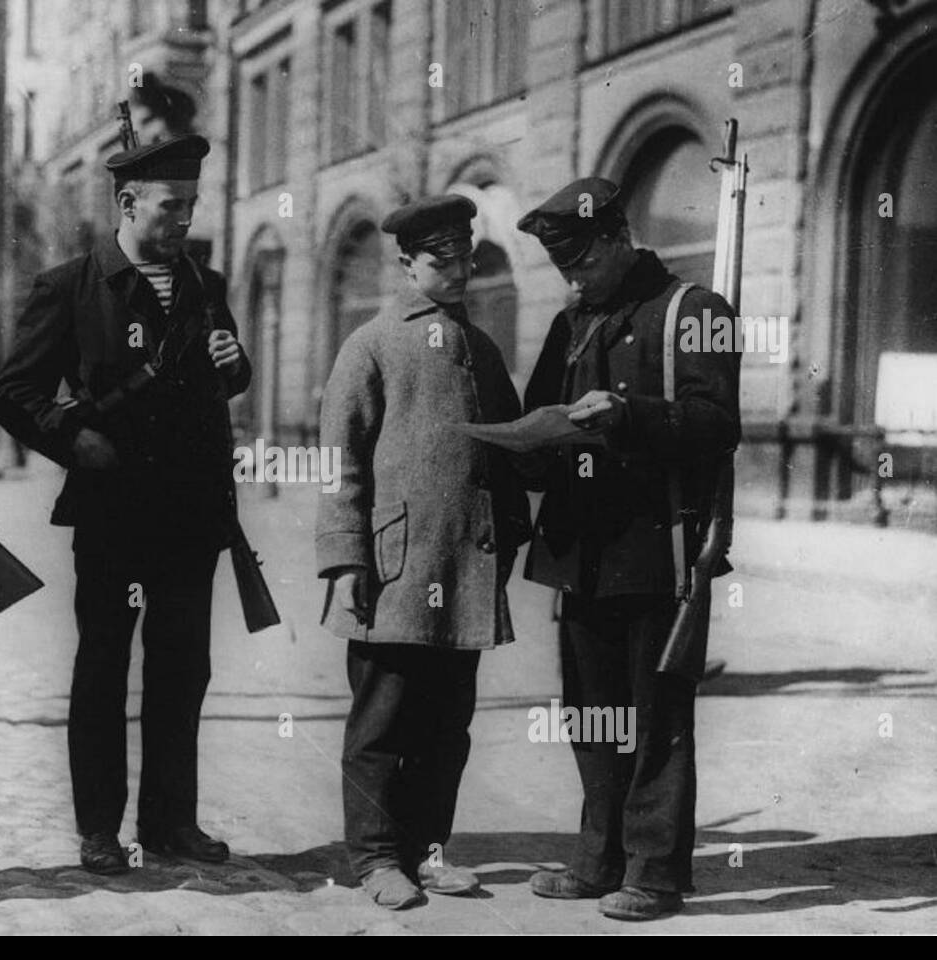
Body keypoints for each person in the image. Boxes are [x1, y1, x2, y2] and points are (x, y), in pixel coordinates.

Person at [0, 134, 250, 874]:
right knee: (103, 669)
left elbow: (211, 386)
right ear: (128, 204)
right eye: (172, 206)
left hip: (190, 517)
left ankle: (171, 822)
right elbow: (13, 393)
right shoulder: (70, 286)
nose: (185, 219)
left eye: (192, 204)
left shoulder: (207, 285)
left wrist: (236, 368)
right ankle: (100, 828)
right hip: (113, 516)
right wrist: (74, 437)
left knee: (182, 668)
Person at [517, 177, 741, 921]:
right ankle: (597, 856)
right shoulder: (573, 321)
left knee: (655, 716)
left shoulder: (696, 311)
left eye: (581, 260)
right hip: (581, 549)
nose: (573, 277)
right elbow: (539, 414)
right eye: (563, 267)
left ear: (617, 237)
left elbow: (717, 422)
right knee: (592, 713)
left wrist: (627, 414)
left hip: (656, 547)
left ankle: (653, 869)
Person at [316, 195, 532, 909]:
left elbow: (507, 446)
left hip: (464, 568)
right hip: (395, 571)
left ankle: (429, 850)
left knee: (447, 724)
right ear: (407, 264)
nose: (461, 271)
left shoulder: (482, 347)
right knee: (382, 721)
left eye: (468, 257)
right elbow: (338, 463)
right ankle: (377, 857)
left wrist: (509, 536)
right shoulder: (370, 345)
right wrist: (345, 562)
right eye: (444, 261)